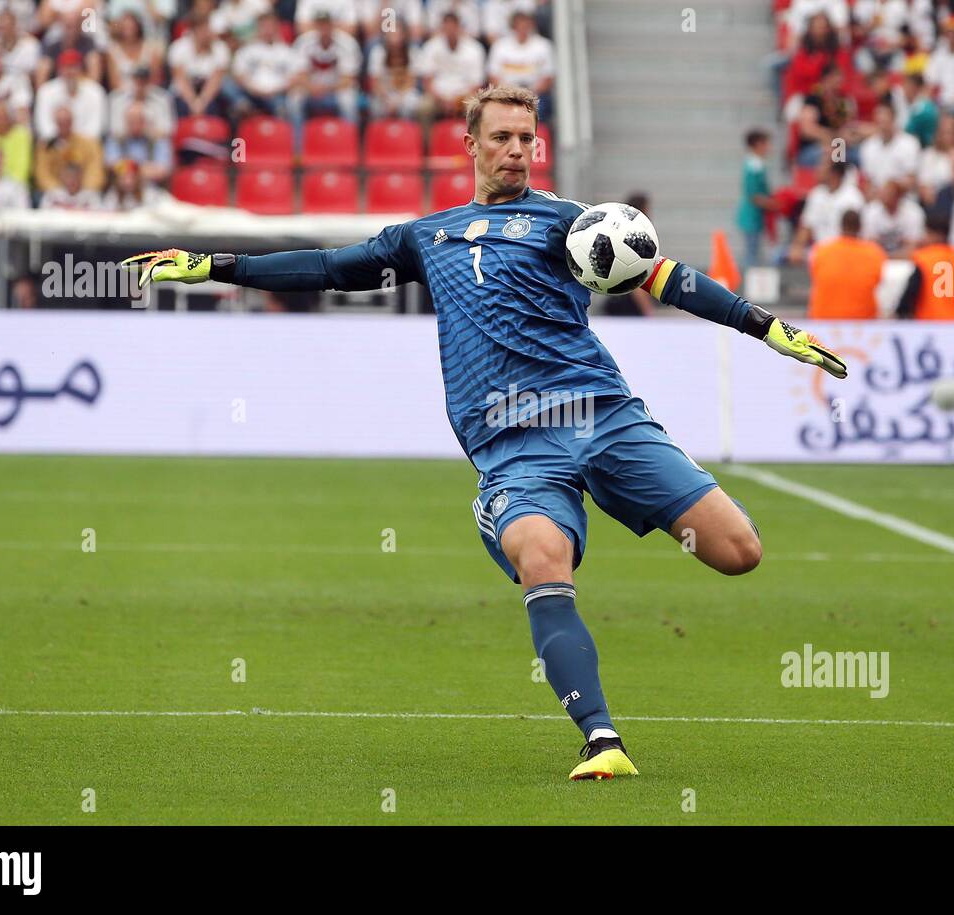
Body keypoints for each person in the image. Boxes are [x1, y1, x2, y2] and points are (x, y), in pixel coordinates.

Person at [122, 86, 848, 782]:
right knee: (542, 555)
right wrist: (212, 264)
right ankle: (603, 738)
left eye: (527, 138)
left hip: (601, 414)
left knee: (738, 550)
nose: (515, 150)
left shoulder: (571, 221)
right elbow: (327, 267)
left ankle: (628, 514)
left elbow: (664, 276)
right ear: (469, 143)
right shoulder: (422, 236)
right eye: (500, 137)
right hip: (513, 447)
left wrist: (764, 325)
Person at [895, 211, 954, 320]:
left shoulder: (925, 259)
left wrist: (900, 313)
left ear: (937, 235)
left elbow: (910, 294)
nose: (924, 238)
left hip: (931, 327)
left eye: (927, 233)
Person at [807, 208, 887, 319]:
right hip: (862, 320)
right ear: (860, 227)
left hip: (824, 319)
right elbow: (878, 280)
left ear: (840, 226)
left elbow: (815, 276)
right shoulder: (875, 252)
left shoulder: (821, 250)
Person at [736, 128, 774, 272]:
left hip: (755, 216)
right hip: (751, 216)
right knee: (751, 253)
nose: (769, 147)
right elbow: (754, 195)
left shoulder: (757, 164)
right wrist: (773, 204)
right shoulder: (754, 166)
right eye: (766, 144)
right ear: (758, 144)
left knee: (753, 251)